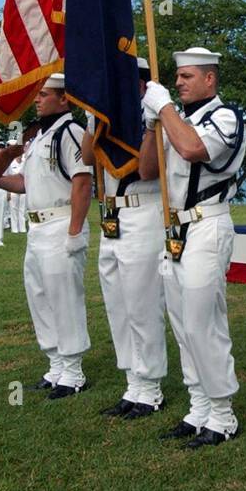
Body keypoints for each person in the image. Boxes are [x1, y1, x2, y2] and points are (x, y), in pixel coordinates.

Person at [138, 46, 246, 448]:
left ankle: (223, 414)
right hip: (174, 231)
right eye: (177, 77)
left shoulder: (226, 116)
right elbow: (149, 171)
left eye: (187, 76)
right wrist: (152, 124)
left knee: (204, 322)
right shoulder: (174, 120)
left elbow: (194, 150)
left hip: (207, 224)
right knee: (183, 325)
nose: (179, 82)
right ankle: (198, 406)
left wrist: (164, 109)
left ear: (210, 79)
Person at [0, 72, 93, 398]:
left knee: (64, 298)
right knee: (39, 297)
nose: (36, 100)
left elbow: (82, 182)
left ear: (64, 98)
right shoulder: (38, 137)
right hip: (37, 227)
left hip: (60, 221)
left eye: (43, 95)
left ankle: (73, 371)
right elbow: (26, 183)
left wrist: (75, 231)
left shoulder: (71, 132)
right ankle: (55, 364)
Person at [87, 58, 168, 420]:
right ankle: (133, 381)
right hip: (112, 213)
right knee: (117, 303)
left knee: (141, 302)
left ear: (138, 84)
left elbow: (148, 166)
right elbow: (89, 157)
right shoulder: (106, 115)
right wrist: (94, 119)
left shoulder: (155, 117)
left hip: (143, 206)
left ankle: (150, 388)